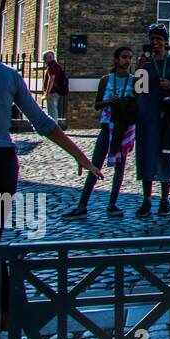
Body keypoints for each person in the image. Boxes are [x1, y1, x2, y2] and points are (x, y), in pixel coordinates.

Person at [0, 12, 99, 339]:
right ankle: (2, 328)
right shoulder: (8, 75)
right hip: (0, 166)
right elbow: (43, 123)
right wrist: (80, 156)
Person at [65, 46, 138, 219]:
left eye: (129, 58)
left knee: (120, 167)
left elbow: (139, 103)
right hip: (107, 126)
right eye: (124, 57)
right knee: (95, 164)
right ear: (116, 59)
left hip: (124, 128)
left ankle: (112, 203)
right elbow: (96, 104)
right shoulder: (106, 80)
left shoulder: (135, 81)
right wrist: (108, 102)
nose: (127, 61)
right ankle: (82, 204)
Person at [134, 23, 170, 217]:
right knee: (147, 153)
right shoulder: (145, 63)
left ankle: (165, 198)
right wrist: (140, 67)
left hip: (166, 115)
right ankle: (147, 198)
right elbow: (138, 89)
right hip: (147, 114)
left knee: (165, 153)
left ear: (166, 41)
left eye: (158, 39)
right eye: (152, 39)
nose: (155, 43)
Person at [41, 51, 68, 124]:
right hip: (55, 91)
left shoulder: (52, 66)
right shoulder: (56, 65)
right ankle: (54, 126)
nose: (44, 60)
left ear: (50, 57)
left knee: (52, 111)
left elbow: (51, 79)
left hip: (52, 92)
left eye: (44, 58)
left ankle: (53, 127)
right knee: (53, 110)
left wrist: (47, 92)